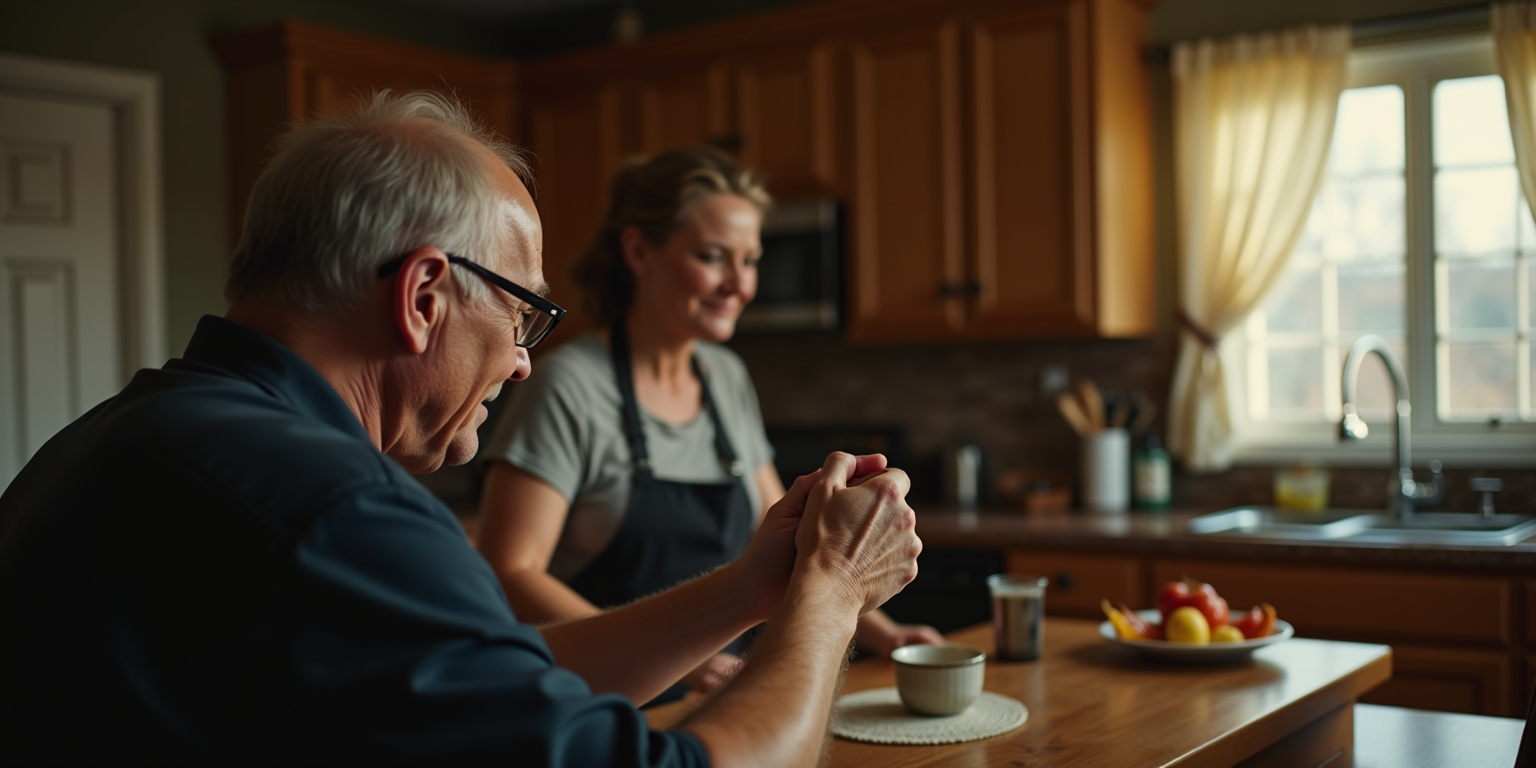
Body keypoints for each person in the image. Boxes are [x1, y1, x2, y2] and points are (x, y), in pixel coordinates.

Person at [0, 91, 922, 767]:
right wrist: (832, 594)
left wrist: (748, 589)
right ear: (424, 295)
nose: (523, 361)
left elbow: (494, 675)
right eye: (522, 316)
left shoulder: (105, 441)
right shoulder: (341, 513)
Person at [475, 147, 942, 700]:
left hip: (718, 698)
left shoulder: (725, 378)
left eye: (750, 260)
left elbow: (788, 544)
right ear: (639, 250)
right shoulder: (570, 386)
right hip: (597, 702)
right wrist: (686, 661)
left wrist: (886, 636)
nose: (739, 284)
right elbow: (510, 570)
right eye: (714, 256)